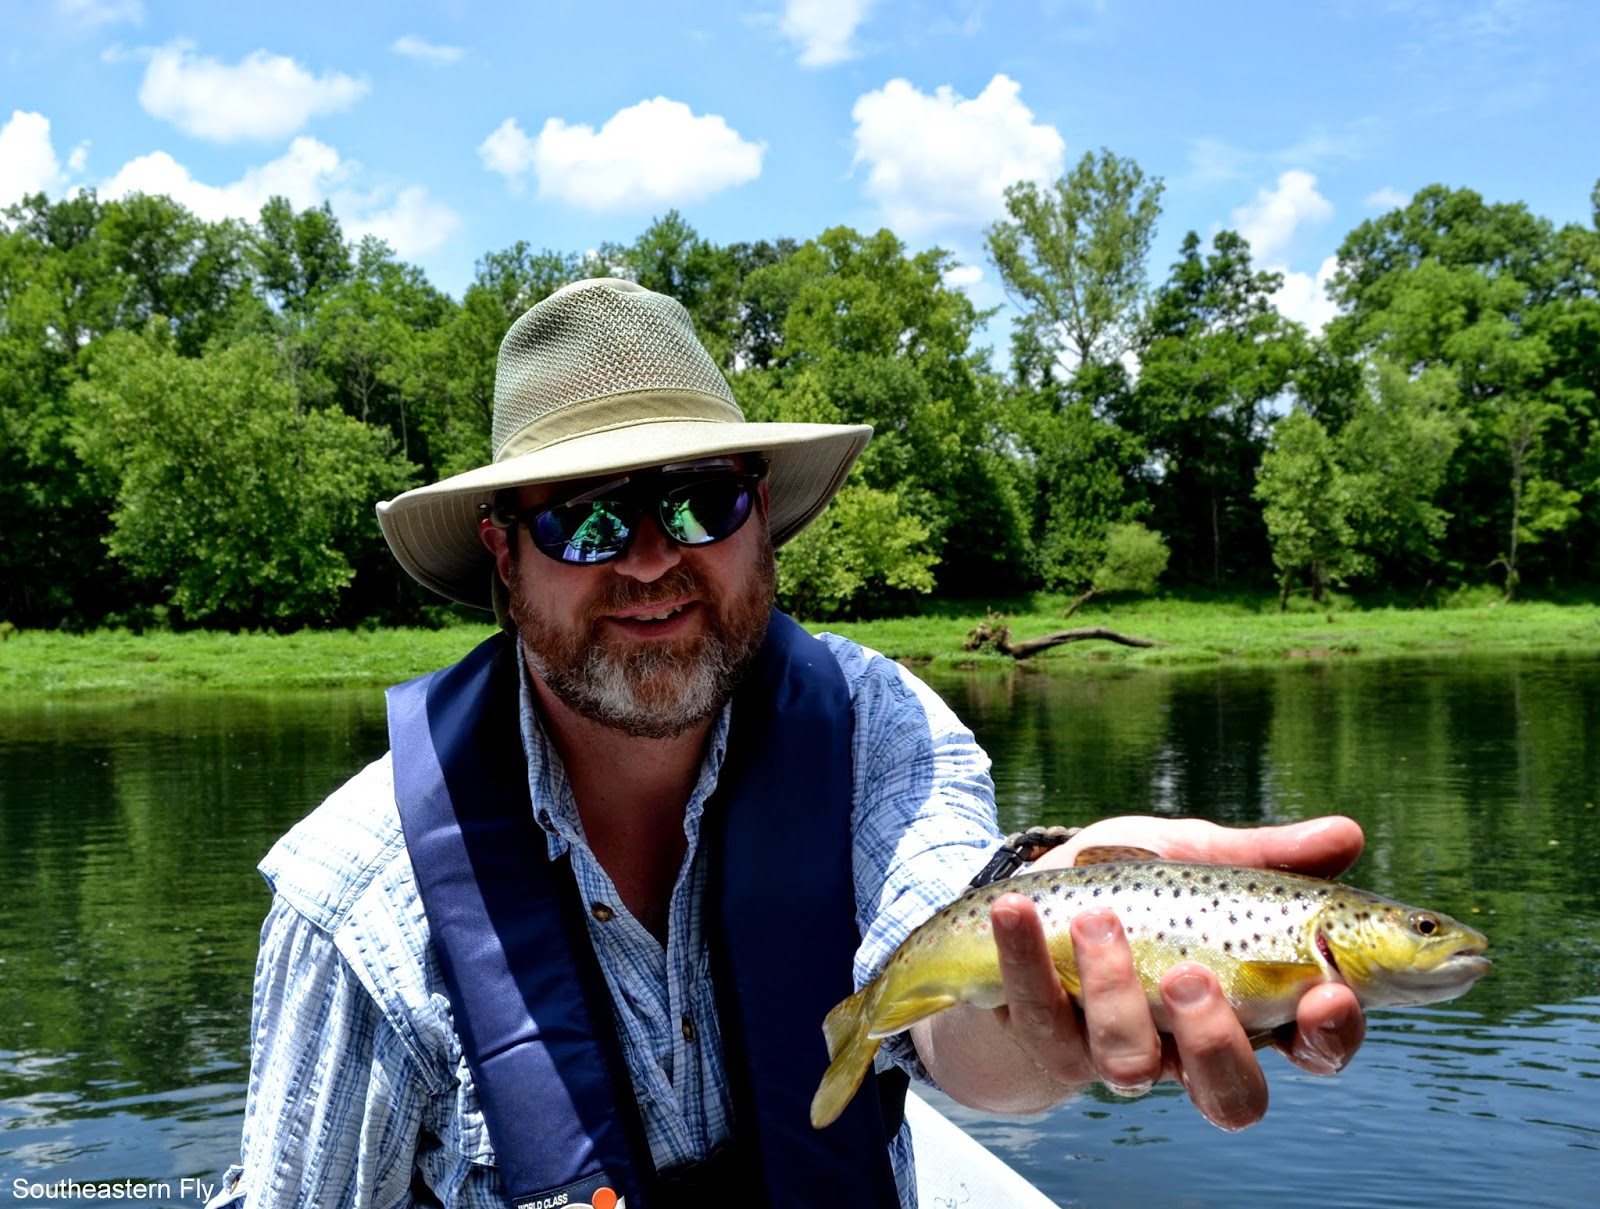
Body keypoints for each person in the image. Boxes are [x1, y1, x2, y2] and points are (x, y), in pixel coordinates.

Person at [212, 278, 1366, 1209]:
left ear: (759, 512)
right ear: (504, 558)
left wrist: (1047, 954)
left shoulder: (880, 733)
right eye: (587, 517)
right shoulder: (355, 905)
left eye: (703, 499)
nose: (655, 558)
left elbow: (967, 1034)